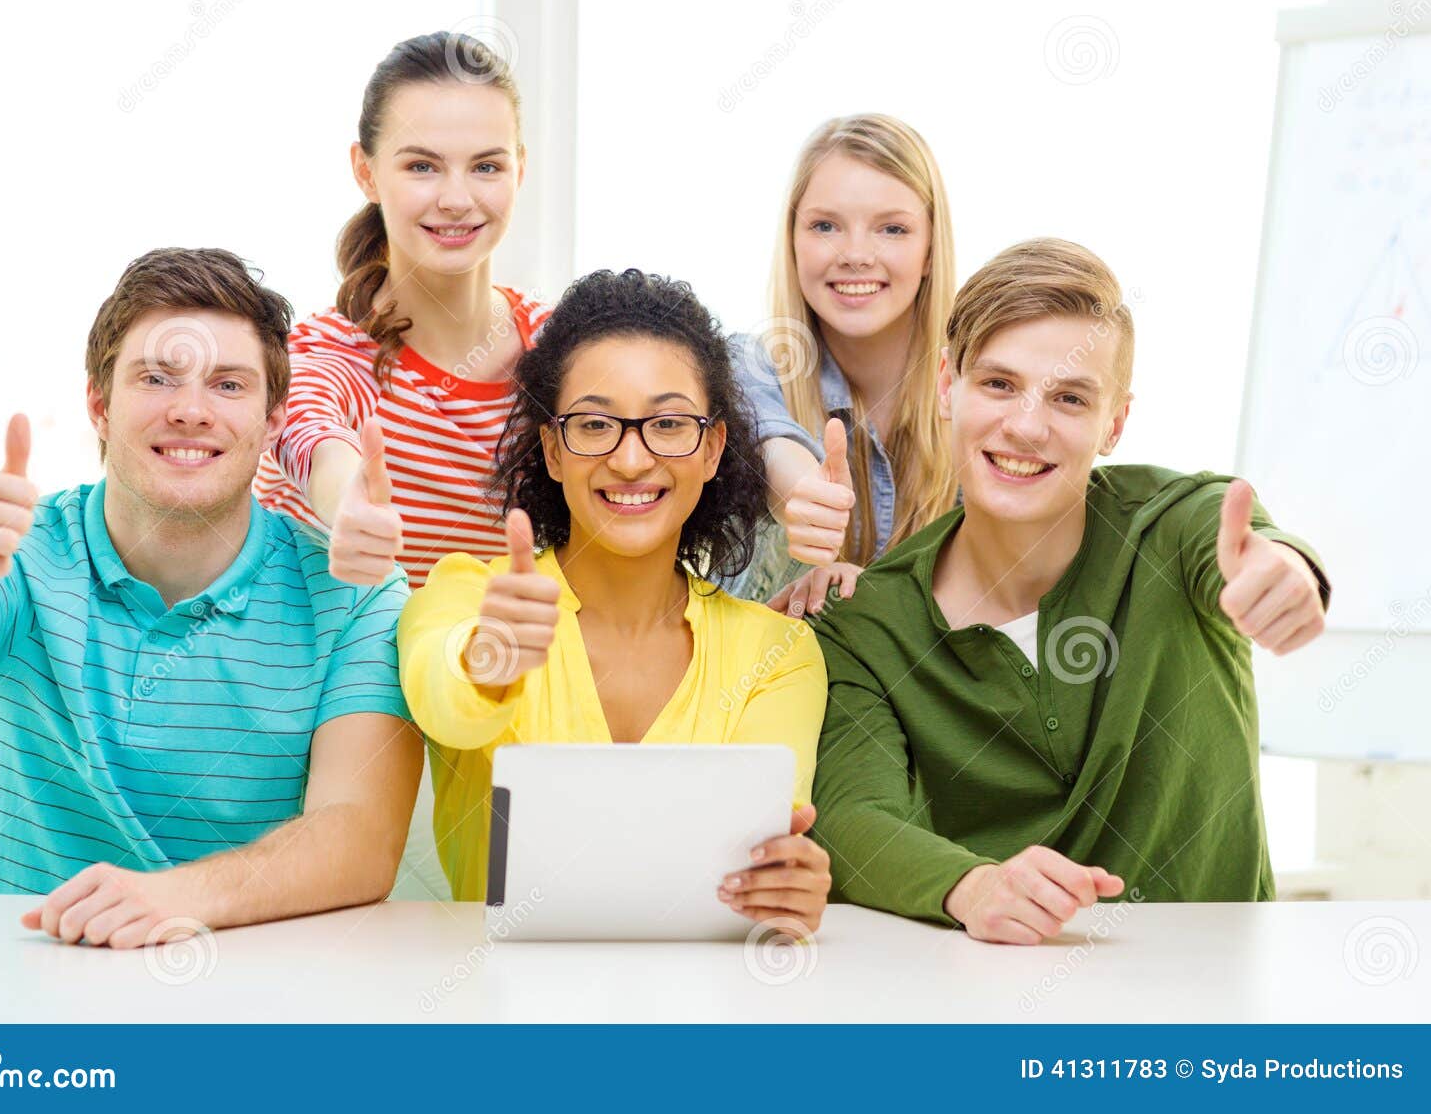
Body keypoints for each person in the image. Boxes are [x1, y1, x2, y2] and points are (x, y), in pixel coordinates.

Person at [0, 248, 421, 948]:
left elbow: (361, 839)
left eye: (227, 384)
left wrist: (172, 899)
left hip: (263, 989)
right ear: (99, 405)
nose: (190, 411)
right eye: (157, 377)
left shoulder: (353, 597)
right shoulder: (22, 553)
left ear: (275, 420)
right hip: (36, 986)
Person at [809, 238, 1329, 945]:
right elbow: (852, 817)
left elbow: (1249, 549)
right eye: (998, 384)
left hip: (1217, 1009)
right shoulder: (865, 623)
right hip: (994, 1013)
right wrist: (975, 885)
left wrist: (1289, 575)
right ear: (944, 386)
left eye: (1069, 397)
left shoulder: (1171, 527)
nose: (1026, 424)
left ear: (1114, 422)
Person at [398, 269, 832, 933]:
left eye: (667, 423)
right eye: (596, 423)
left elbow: (764, 852)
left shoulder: (779, 651)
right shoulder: (463, 596)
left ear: (713, 447)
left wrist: (787, 887)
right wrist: (490, 659)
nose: (631, 460)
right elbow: (444, 696)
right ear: (551, 447)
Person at [253, 31, 550, 589]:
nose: (457, 199)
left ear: (520, 169)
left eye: (487, 167)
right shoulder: (325, 352)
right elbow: (312, 435)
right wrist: (350, 506)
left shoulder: (561, 349)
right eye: (422, 167)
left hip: (487, 673)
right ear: (366, 173)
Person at [730, 114, 960, 615]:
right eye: (826, 226)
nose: (855, 254)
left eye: (892, 228)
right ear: (793, 241)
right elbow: (768, 438)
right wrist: (802, 495)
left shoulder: (976, 398)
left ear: (928, 250)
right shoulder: (748, 366)